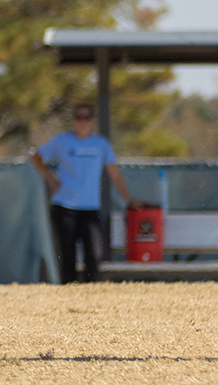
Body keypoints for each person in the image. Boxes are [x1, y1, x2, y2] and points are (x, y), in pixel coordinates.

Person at [31, 104, 140, 284]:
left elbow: (114, 173)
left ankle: (91, 290)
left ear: (92, 120)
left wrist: (129, 199)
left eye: (86, 117)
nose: (83, 122)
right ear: (74, 120)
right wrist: (51, 179)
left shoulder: (101, 144)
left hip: (90, 207)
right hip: (64, 205)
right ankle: (68, 291)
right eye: (79, 117)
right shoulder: (62, 141)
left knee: (94, 253)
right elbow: (36, 158)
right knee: (67, 254)